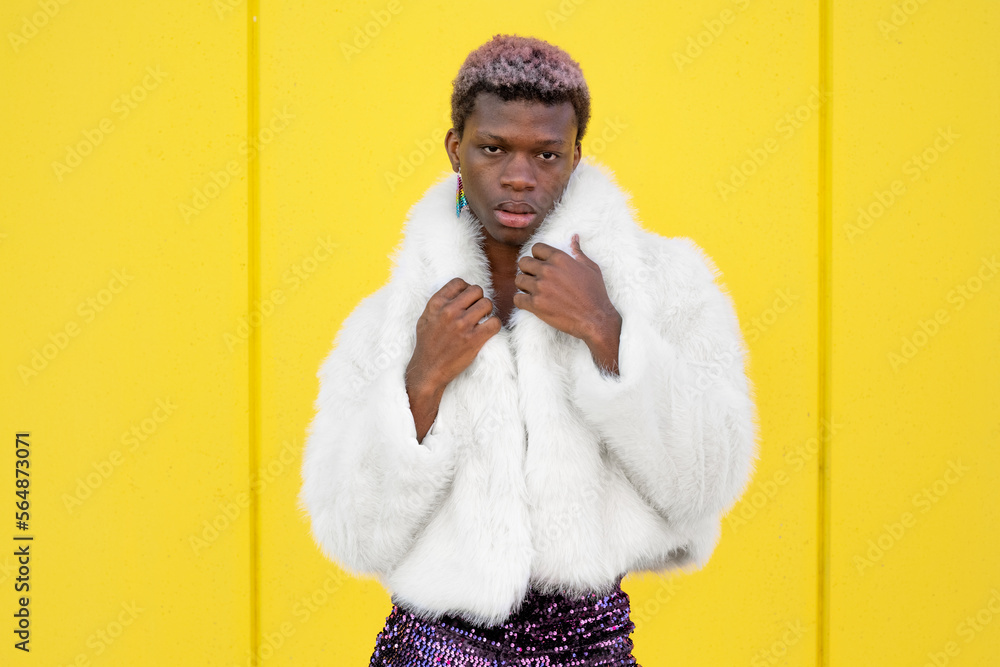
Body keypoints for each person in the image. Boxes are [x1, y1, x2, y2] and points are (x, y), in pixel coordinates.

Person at [298, 34, 759, 666]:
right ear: (456, 151)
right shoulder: (389, 322)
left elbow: (709, 482)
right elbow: (352, 535)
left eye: (546, 153)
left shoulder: (667, 288)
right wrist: (423, 379)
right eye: (494, 149)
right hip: (432, 651)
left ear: (575, 157)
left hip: (590, 646)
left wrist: (607, 330)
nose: (519, 176)